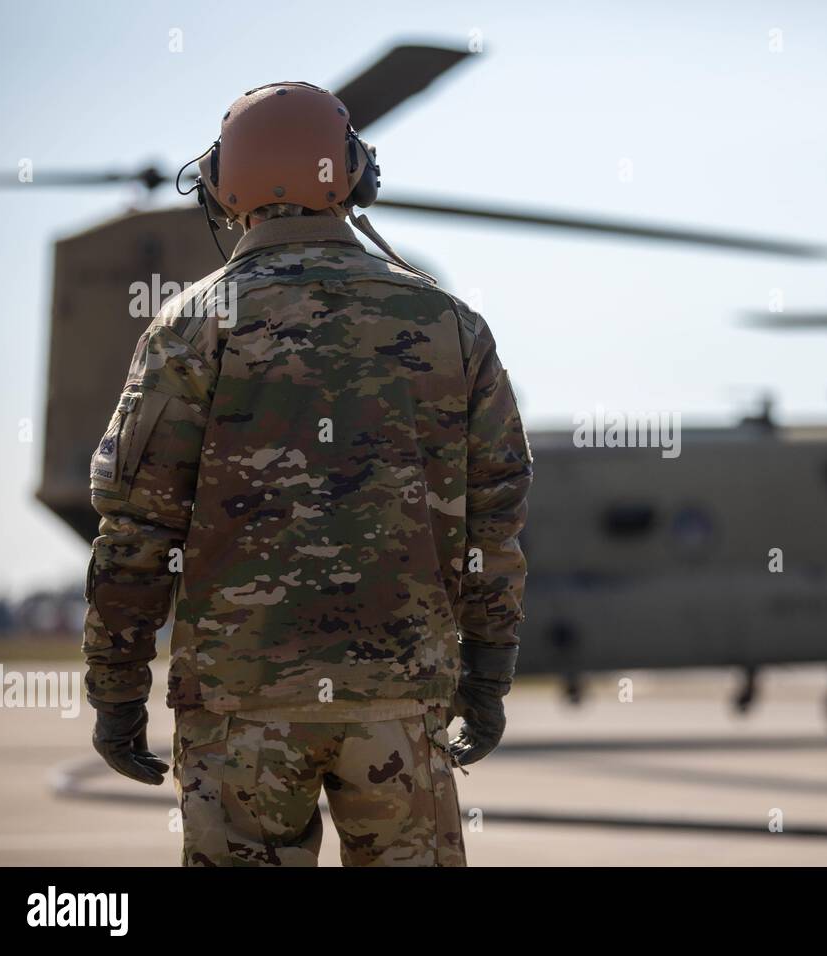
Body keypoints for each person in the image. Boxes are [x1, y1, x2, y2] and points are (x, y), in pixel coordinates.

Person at [82, 81, 532, 867]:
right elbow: (495, 515)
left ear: (223, 188)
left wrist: (117, 688)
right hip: (399, 701)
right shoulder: (448, 325)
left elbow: (137, 526)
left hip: (239, 710)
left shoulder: (190, 326)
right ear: (356, 174)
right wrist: (487, 675)